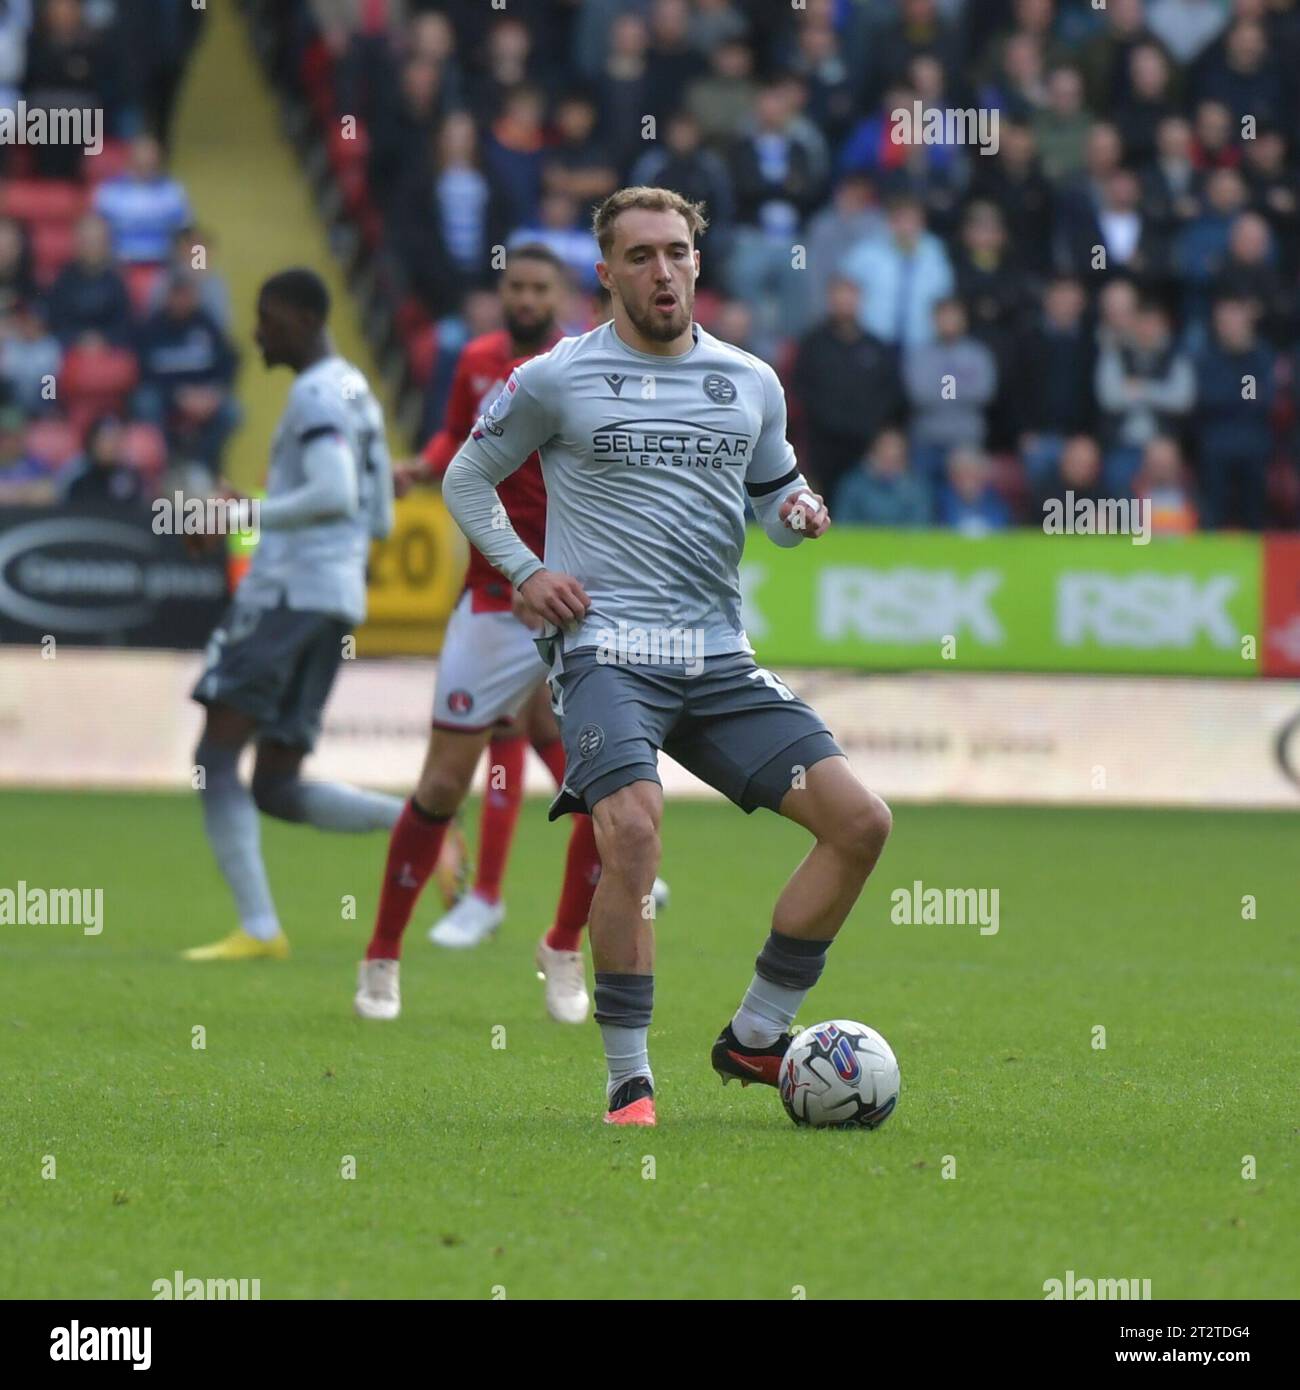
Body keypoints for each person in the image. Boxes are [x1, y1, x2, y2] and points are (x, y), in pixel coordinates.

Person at [441, 187, 893, 1126]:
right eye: (640, 256)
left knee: (861, 824)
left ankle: (756, 1038)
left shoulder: (750, 382)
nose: (663, 271)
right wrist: (525, 574)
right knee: (635, 832)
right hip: (606, 652)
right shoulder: (554, 378)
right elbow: (466, 476)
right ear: (605, 273)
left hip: (718, 656)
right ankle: (628, 1082)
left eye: (677, 253)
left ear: (699, 262)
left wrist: (798, 514)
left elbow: (776, 491)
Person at [358, 245, 665, 1025]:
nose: (524, 298)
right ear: (503, 292)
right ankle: (382, 955)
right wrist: (418, 469)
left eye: (538, 288)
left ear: (560, 296)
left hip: (580, 604)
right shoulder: (476, 361)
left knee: (608, 789)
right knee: (439, 785)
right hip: (496, 600)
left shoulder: (583, 367)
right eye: (514, 286)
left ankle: (561, 944)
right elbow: (458, 446)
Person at [183, 268, 401, 962]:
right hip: (335, 596)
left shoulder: (314, 394)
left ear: (305, 319)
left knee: (215, 753)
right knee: (275, 783)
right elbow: (382, 517)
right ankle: (417, 825)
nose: (257, 332)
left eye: (268, 317)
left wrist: (237, 510)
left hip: (286, 596)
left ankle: (259, 927)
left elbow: (334, 493)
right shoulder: (356, 388)